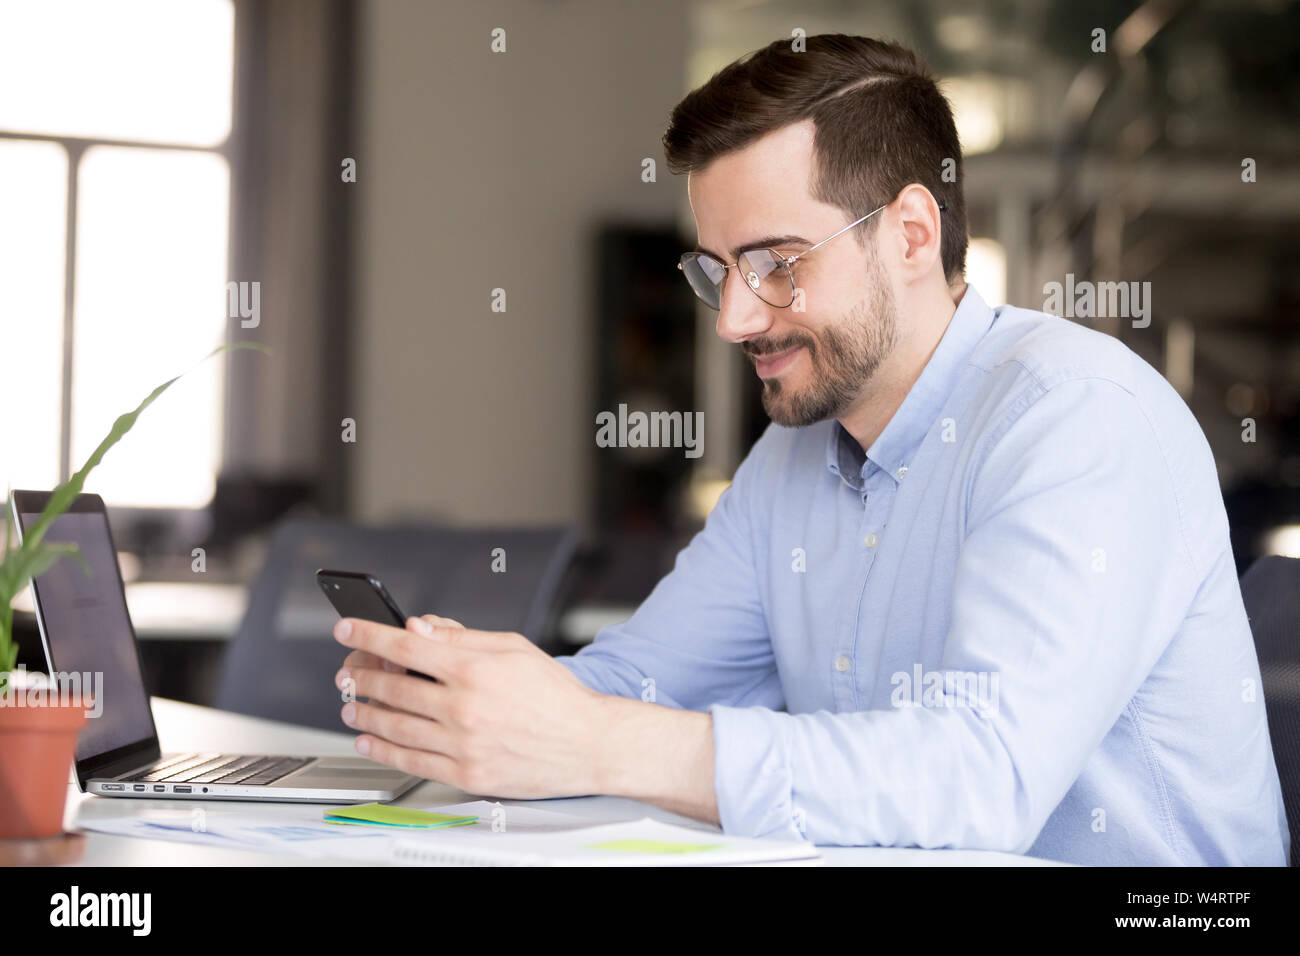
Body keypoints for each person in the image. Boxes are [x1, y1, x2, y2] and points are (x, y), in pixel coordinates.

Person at [331, 34, 1289, 865]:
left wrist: (595, 740)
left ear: (912, 233)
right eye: (720, 271)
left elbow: (983, 777)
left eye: (777, 265)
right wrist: (472, 697)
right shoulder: (793, 458)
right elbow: (638, 685)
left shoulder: (1077, 415)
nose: (735, 318)